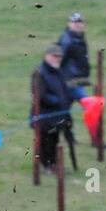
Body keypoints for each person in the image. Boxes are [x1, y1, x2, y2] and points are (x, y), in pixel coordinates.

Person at [33, 42, 76, 170]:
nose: (57, 59)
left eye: (59, 56)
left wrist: (67, 100)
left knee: (55, 139)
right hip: (45, 114)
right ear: (47, 56)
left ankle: (53, 164)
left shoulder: (58, 71)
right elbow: (40, 95)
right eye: (54, 56)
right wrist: (57, 101)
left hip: (58, 114)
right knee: (46, 140)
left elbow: (64, 89)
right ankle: (47, 165)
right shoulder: (39, 73)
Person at [59, 11, 90, 96]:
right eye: (74, 22)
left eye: (79, 21)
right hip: (70, 79)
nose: (77, 24)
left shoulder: (80, 38)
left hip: (77, 78)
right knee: (87, 102)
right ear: (69, 24)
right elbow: (60, 59)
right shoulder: (67, 40)